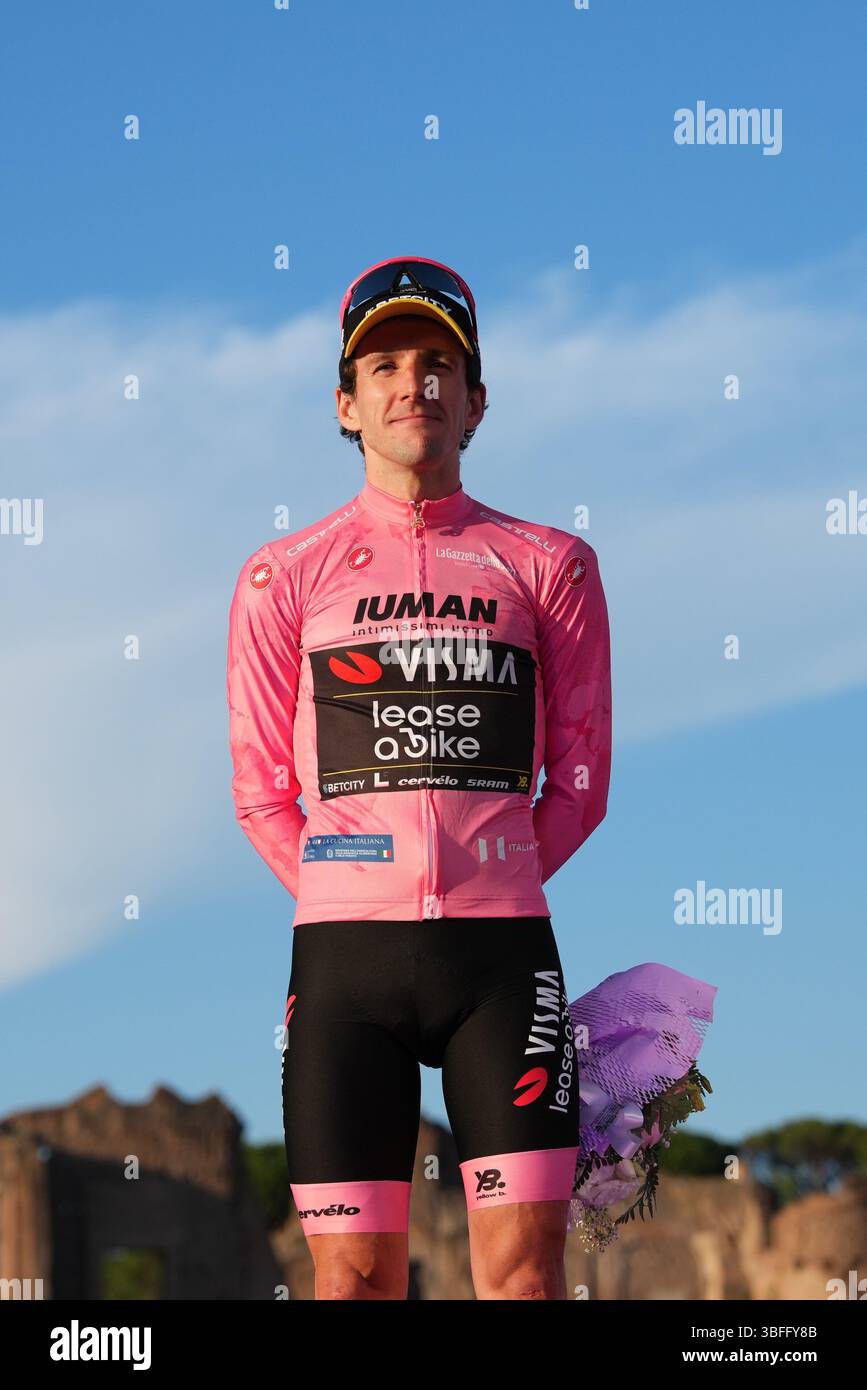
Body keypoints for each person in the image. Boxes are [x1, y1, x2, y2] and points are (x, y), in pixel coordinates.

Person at [226, 256, 612, 1299]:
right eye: (386, 365)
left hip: (502, 964)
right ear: (346, 404)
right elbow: (261, 792)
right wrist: (348, 885)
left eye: (440, 363)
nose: (415, 384)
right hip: (343, 966)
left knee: (524, 1277)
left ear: (475, 400)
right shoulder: (280, 576)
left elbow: (579, 780)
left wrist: (492, 876)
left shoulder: (552, 564)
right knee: (353, 1281)